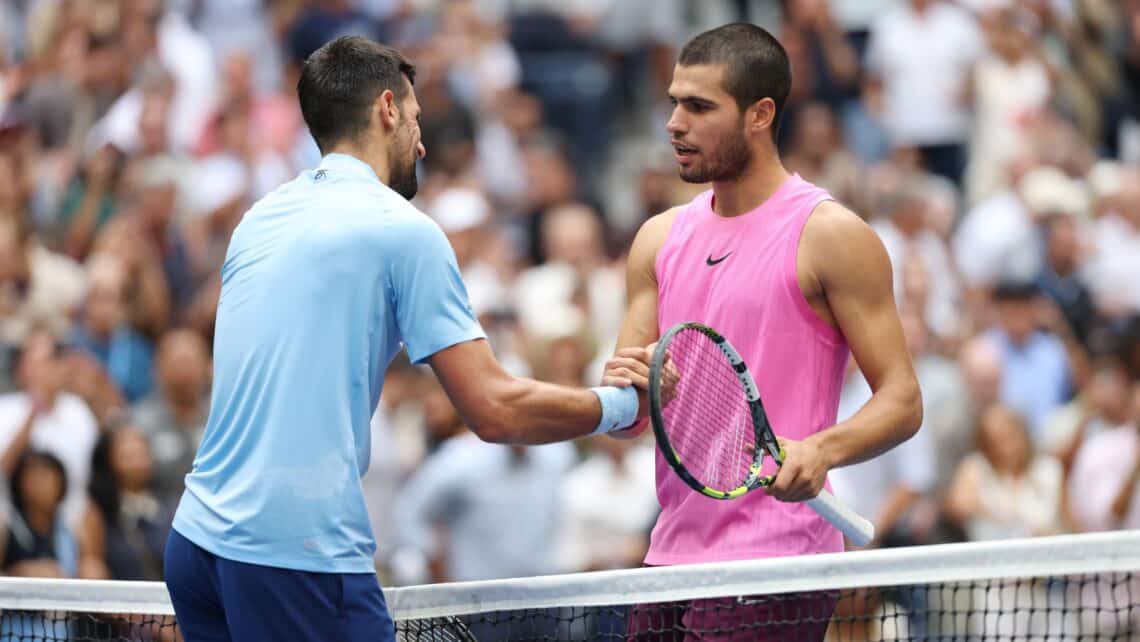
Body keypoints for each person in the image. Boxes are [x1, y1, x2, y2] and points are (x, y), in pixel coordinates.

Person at [163, 36, 651, 642]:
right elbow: (493, 409)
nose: (422, 143)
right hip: (293, 555)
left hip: (195, 545)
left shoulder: (259, 217)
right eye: (417, 120)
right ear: (388, 109)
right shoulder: (403, 231)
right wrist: (622, 408)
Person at [601, 24, 922, 641]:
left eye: (698, 106)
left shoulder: (830, 235)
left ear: (760, 114)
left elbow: (904, 400)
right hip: (669, 556)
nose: (674, 122)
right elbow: (633, 418)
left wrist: (823, 450)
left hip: (778, 563)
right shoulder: (657, 238)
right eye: (673, 102)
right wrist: (630, 391)